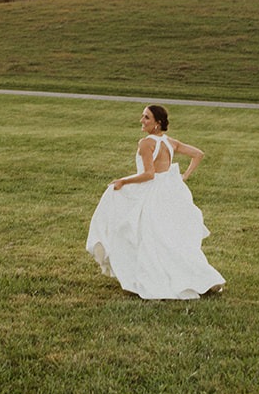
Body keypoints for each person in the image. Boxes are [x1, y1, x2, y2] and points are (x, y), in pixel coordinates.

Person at [86, 104, 224, 300]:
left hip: (153, 194)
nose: (142, 121)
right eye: (143, 116)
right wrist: (184, 176)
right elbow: (198, 154)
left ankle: (154, 277)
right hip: (169, 192)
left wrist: (123, 181)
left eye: (146, 118)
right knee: (170, 238)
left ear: (157, 123)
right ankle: (195, 276)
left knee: (149, 236)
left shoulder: (146, 143)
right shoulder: (170, 142)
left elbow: (149, 174)